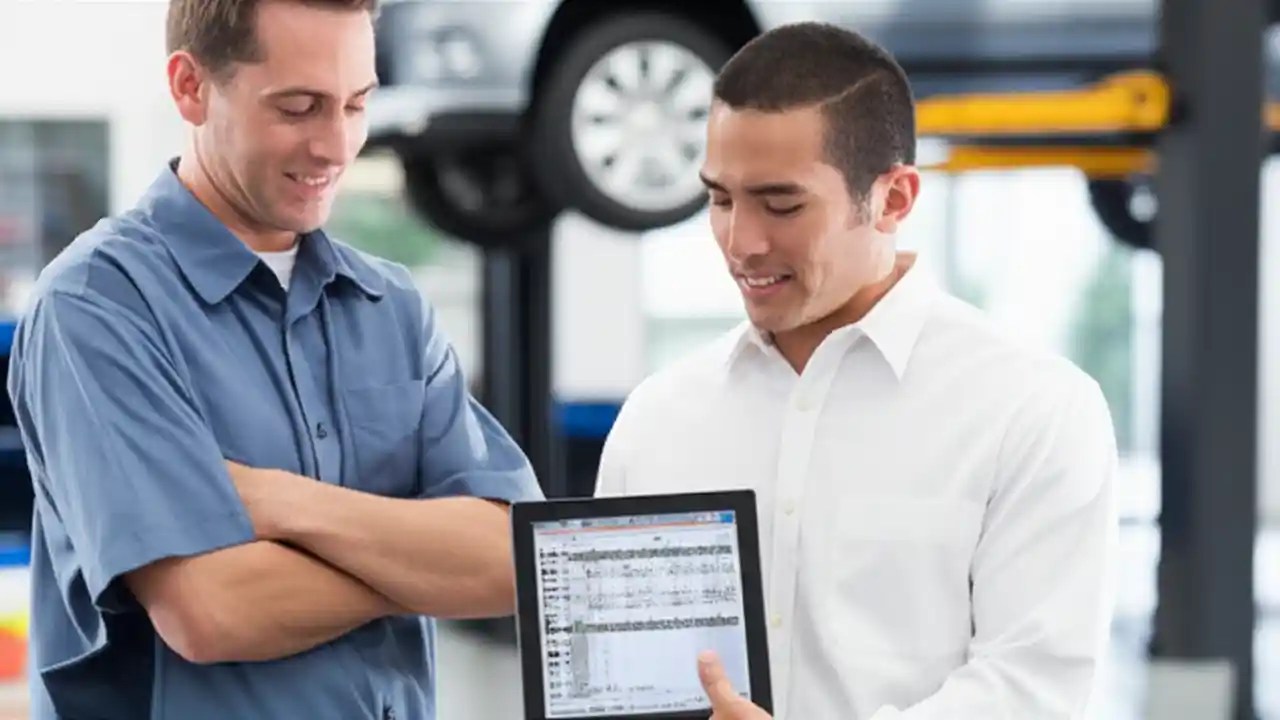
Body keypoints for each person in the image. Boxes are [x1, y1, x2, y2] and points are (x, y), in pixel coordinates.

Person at [5, 1, 543, 718]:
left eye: (356, 104)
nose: (336, 146)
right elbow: (212, 611)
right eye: (298, 108)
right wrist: (423, 566)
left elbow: (516, 561)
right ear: (190, 87)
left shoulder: (391, 307)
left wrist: (286, 505)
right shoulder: (97, 307)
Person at [596, 22, 1119, 720]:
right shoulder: (657, 420)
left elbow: (1033, 691)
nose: (741, 243)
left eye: (781, 205)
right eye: (721, 200)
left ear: (895, 198)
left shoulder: (1033, 413)